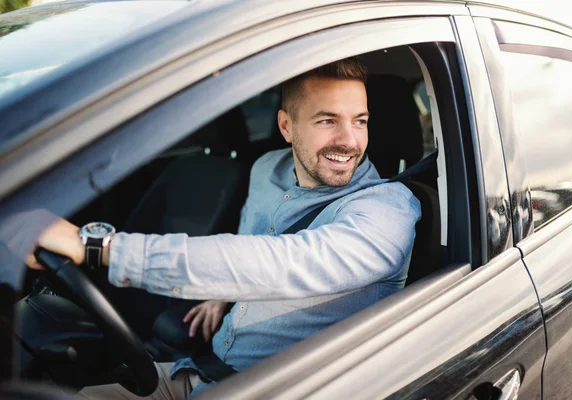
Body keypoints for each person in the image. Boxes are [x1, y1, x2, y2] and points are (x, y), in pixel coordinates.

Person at [28, 57, 421, 399]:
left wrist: (99, 246)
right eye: (327, 120)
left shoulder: (387, 212)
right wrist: (224, 293)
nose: (350, 140)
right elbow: (251, 245)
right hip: (196, 372)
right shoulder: (268, 168)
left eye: (360, 121)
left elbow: (282, 263)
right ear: (286, 126)